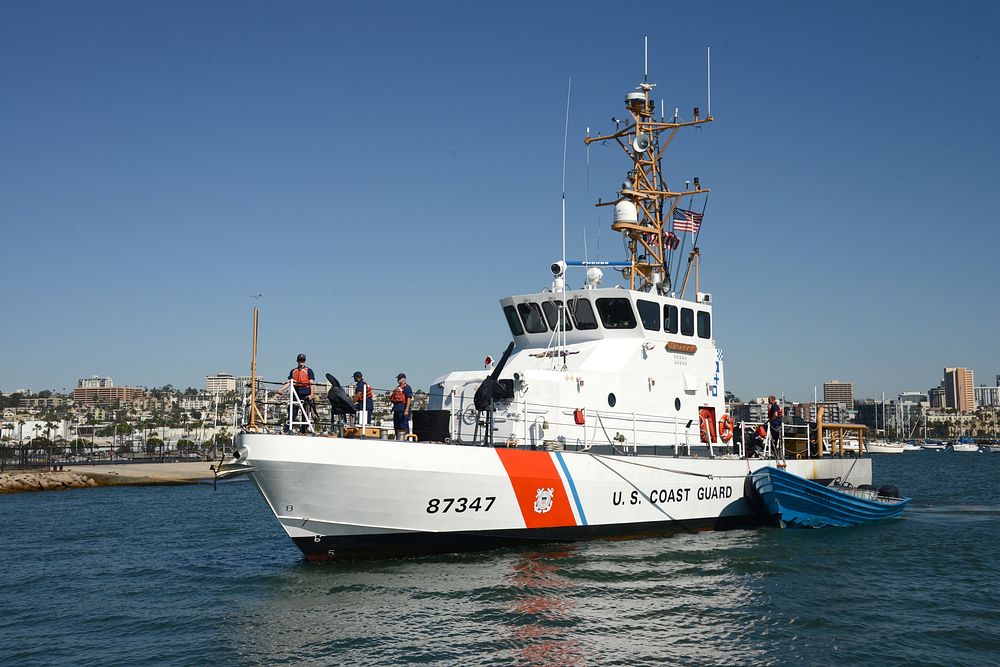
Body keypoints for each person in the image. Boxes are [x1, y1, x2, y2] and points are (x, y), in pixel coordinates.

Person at [276, 353, 315, 432]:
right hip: (296, 392)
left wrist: (312, 394)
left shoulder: (309, 371)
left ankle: (304, 429)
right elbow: (290, 382)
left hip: (305, 392)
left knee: (305, 412)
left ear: (305, 361)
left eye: (303, 360)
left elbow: (312, 383)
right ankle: (288, 428)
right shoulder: (293, 371)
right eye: (300, 360)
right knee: (292, 410)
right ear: (297, 361)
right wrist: (281, 390)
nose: (301, 362)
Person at [389, 373, 413, 440]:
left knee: (404, 426)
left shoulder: (407, 387)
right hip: (397, 409)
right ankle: (398, 439)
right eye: (398, 378)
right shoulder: (397, 388)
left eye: (400, 378)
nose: (398, 380)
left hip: (403, 409)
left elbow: (408, 399)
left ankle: (406, 439)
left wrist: (406, 409)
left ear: (404, 379)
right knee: (396, 426)